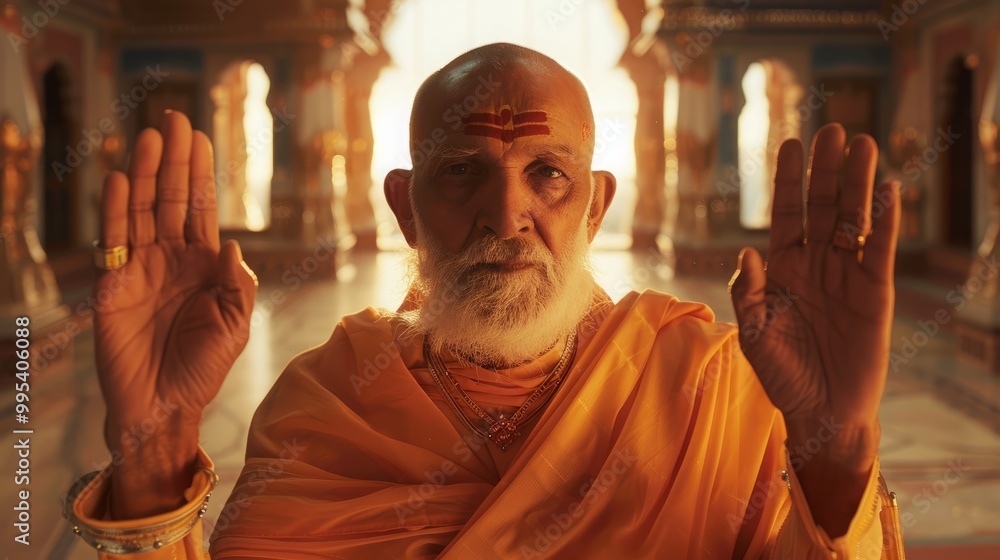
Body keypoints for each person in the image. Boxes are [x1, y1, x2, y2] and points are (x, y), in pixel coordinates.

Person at [64, 43, 905, 559]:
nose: (508, 216)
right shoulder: (325, 408)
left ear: (597, 204)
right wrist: (154, 449)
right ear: (403, 205)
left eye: (549, 173)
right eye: (462, 171)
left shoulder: (704, 382)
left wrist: (838, 448)